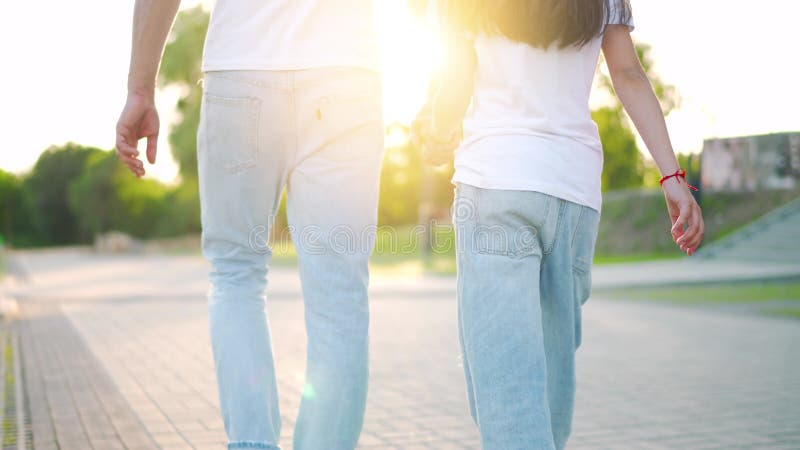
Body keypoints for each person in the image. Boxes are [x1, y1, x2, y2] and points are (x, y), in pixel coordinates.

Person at [413, 1, 705, 448]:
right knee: (550, 391)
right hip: (573, 194)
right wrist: (671, 176)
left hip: (497, 183)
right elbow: (628, 75)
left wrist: (435, 134)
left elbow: (455, 75)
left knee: (508, 398)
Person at [115, 1, 383, 448]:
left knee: (236, 275)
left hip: (243, 65)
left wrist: (140, 88)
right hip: (347, 71)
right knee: (340, 293)